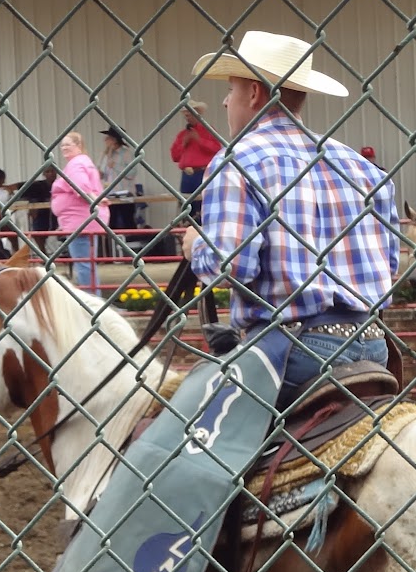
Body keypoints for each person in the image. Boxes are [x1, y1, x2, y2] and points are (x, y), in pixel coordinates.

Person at [182, 29, 397, 393]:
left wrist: (196, 249)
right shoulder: (361, 167)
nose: (224, 102)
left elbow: (232, 266)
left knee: (190, 418)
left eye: (231, 89)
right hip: (374, 346)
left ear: (253, 93)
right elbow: (389, 265)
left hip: (291, 350)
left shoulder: (236, 161)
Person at [51, 132, 109, 292]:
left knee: (83, 262)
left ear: (78, 145)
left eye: (68, 144)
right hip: (84, 220)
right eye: (62, 145)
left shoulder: (76, 164)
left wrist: (93, 199)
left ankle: (91, 299)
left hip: (80, 221)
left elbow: (81, 186)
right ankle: (94, 297)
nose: (64, 148)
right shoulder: (83, 162)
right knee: (87, 262)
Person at [170, 101, 223, 218]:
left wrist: (199, 140)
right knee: (187, 204)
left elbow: (217, 149)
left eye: (189, 114)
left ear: (197, 114)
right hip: (187, 175)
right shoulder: (182, 135)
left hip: (203, 172)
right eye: (186, 115)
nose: (187, 118)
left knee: (203, 204)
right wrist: (183, 143)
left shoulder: (208, 130)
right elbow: (174, 156)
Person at [98, 126, 137, 235]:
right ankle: (113, 247)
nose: (105, 141)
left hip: (125, 194)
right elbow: (103, 173)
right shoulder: (106, 155)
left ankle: (131, 247)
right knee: (111, 222)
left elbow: (132, 173)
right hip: (110, 194)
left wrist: (115, 166)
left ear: (114, 140)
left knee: (128, 221)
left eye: (108, 138)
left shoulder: (127, 153)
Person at [16, 164, 58, 254]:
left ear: (57, 172)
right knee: (37, 232)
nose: (50, 173)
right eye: (47, 171)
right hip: (42, 215)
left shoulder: (62, 184)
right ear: (43, 174)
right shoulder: (37, 185)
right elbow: (16, 187)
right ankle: (44, 254)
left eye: (52, 171)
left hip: (58, 214)